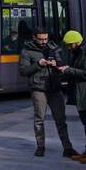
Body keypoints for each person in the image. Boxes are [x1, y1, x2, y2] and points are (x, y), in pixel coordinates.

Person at [19, 27, 77, 158]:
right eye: (41, 39)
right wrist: (38, 64)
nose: (44, 41)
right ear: (34, 37)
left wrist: (56, 63)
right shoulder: (27, 50)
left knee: (61, 119)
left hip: (55, 87)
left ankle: (67, 148)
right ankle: (40, 146)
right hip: (38, 88)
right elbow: (23, 71)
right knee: (39, 119)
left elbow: (63, 64)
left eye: (46, 38)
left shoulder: (54, 47)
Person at [58, 29, 86, 164]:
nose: (68, 48)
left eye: (69, 45)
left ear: (76, 42)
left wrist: (68, 70)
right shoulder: (80, 51)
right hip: (82, 92)